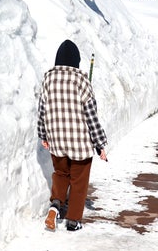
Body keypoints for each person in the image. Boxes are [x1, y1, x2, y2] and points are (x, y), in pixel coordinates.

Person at [37, 39, 108, 232]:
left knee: (60, 173)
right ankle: (73, 220)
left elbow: (42, 110)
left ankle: (55, 206)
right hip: (80, 144)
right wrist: (100, 143)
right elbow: (91, 117)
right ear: (76, 62)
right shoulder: (82, 80)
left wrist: (43, 134)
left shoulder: (47, 79)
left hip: (57, 140)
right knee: (79, 181)